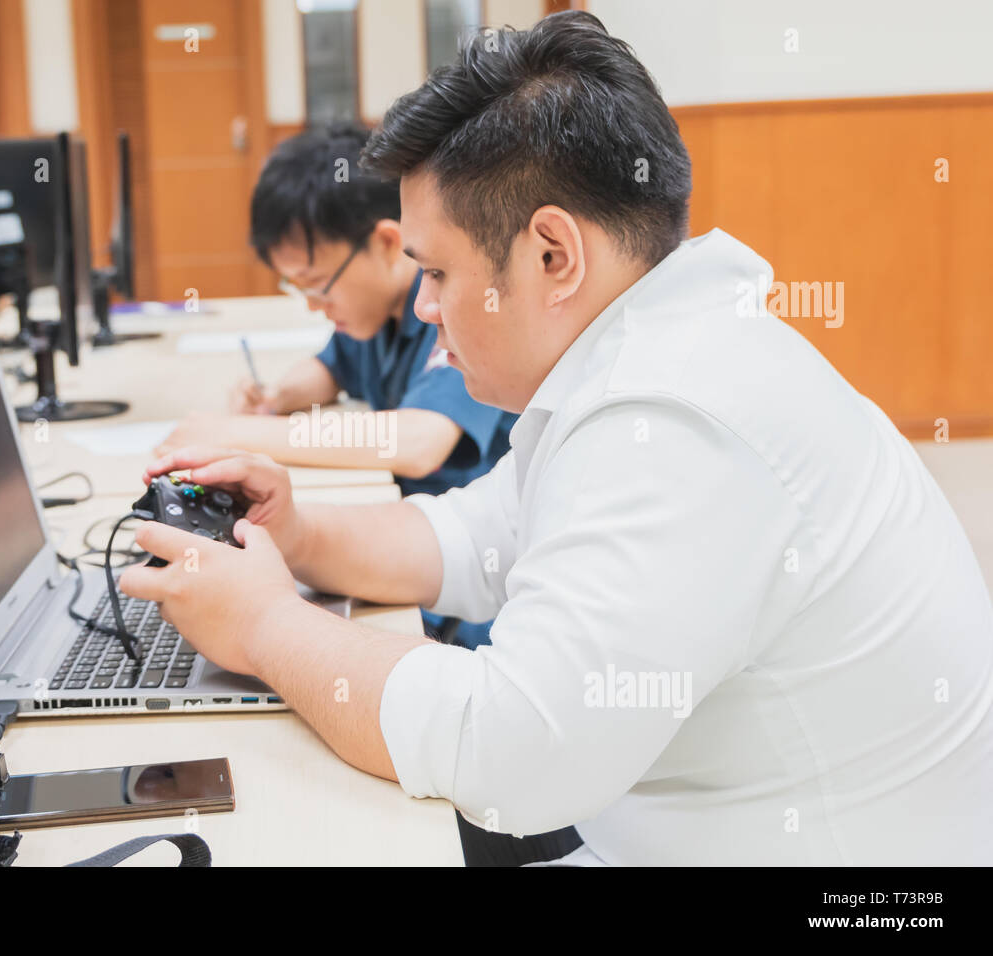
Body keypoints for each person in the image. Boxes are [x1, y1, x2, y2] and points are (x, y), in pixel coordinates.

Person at [118, 11, 993, 865]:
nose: (423, 308)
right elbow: (479, 536)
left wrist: (266, 625)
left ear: (552, 255)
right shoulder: (642, 358)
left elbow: (513, 754)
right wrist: (297, 534)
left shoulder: (675, 422)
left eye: (437, 272)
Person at [156, 124, 515, 501]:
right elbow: (331, 368)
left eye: (318, 284)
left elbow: (421, 441)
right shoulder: (375, 311)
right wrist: (275, 398)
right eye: (298, 286)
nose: (312, 304)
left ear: (387, 244)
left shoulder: (453, 306)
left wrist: (234, 434)